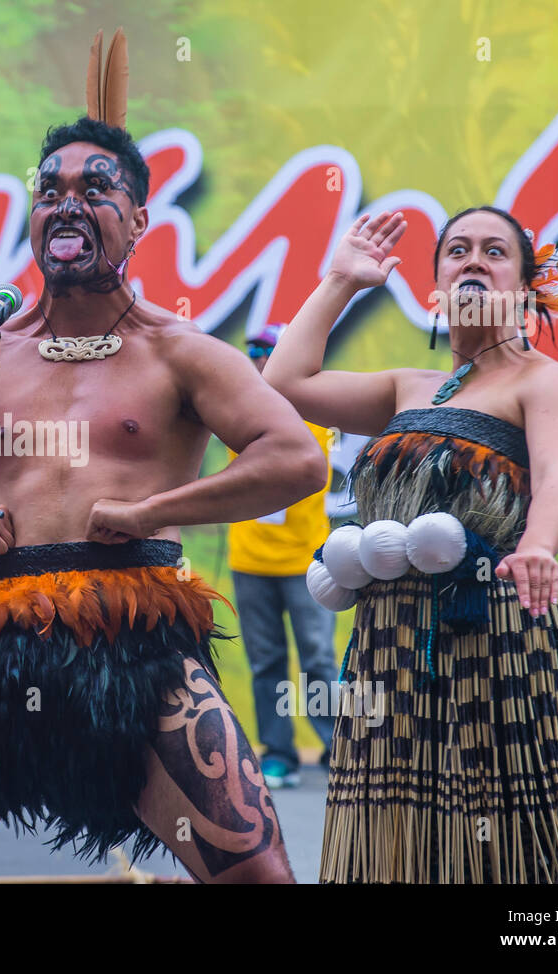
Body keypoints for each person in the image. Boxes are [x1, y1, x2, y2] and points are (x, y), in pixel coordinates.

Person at [0, 109, 325, 882]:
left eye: (95, 186)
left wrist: (153, 513)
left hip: (139, 641)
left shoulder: (180, 352)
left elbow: (294, 460)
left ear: (139, 220)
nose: (67, 201)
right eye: (49, 189)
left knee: (261, 877)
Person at [263, 206, 558, 883]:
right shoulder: (405, 388)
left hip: (491, 636)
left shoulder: (543, 379)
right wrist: (341, 279)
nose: (472, 260)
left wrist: (538, 544)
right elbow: (283, 384)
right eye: (456, 250)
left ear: (526, 284)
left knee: (494, 848)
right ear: (436, 284)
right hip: (388, 641)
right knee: (395, 844)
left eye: (493, 251)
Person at [228, 324, 336, 789]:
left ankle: (341, 749)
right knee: (264, 661)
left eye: (270, 353)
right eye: (254, 354)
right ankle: (278, 753)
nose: (261, 362)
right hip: (249, 560)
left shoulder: (313, 414)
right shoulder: (236, 414)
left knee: (318, 658)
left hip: (304, 561)